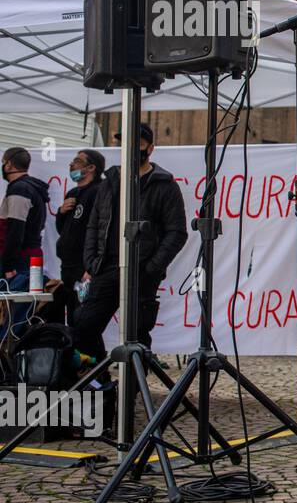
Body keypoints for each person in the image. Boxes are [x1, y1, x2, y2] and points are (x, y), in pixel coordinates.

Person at [74, 124, 186, 363]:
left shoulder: (165, 186)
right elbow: (94, 224)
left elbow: (176, 232)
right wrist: (92, 261)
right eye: (127, 144)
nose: (133, 149)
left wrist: (152, 267)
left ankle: (134, 389)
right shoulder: (110, 181)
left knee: (137, 336)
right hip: (106, 267)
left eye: (139, 144)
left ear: (150, 148)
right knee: (84, 325)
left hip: (142, 271)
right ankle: (98, 382)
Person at [51, 148, 106, 326]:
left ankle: (90, 352)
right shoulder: (72, 194)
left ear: (91, 168)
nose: (71, 165)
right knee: (69, 312)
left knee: (82, 315)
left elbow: (100, 231)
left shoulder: (97, 192)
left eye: (77, 161)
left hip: (84, 266)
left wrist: (91, 267)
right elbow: (63, 230)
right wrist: (61, 212)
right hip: (67, 264)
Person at [0, 147, 50, 338]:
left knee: (15, 316)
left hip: (20, 260)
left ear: (9, 164)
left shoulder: (20, 189)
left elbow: (15, 229)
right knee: (19, 312)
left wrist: (8, 264)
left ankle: (8, 353)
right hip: (28, 258)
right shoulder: (30, 188)